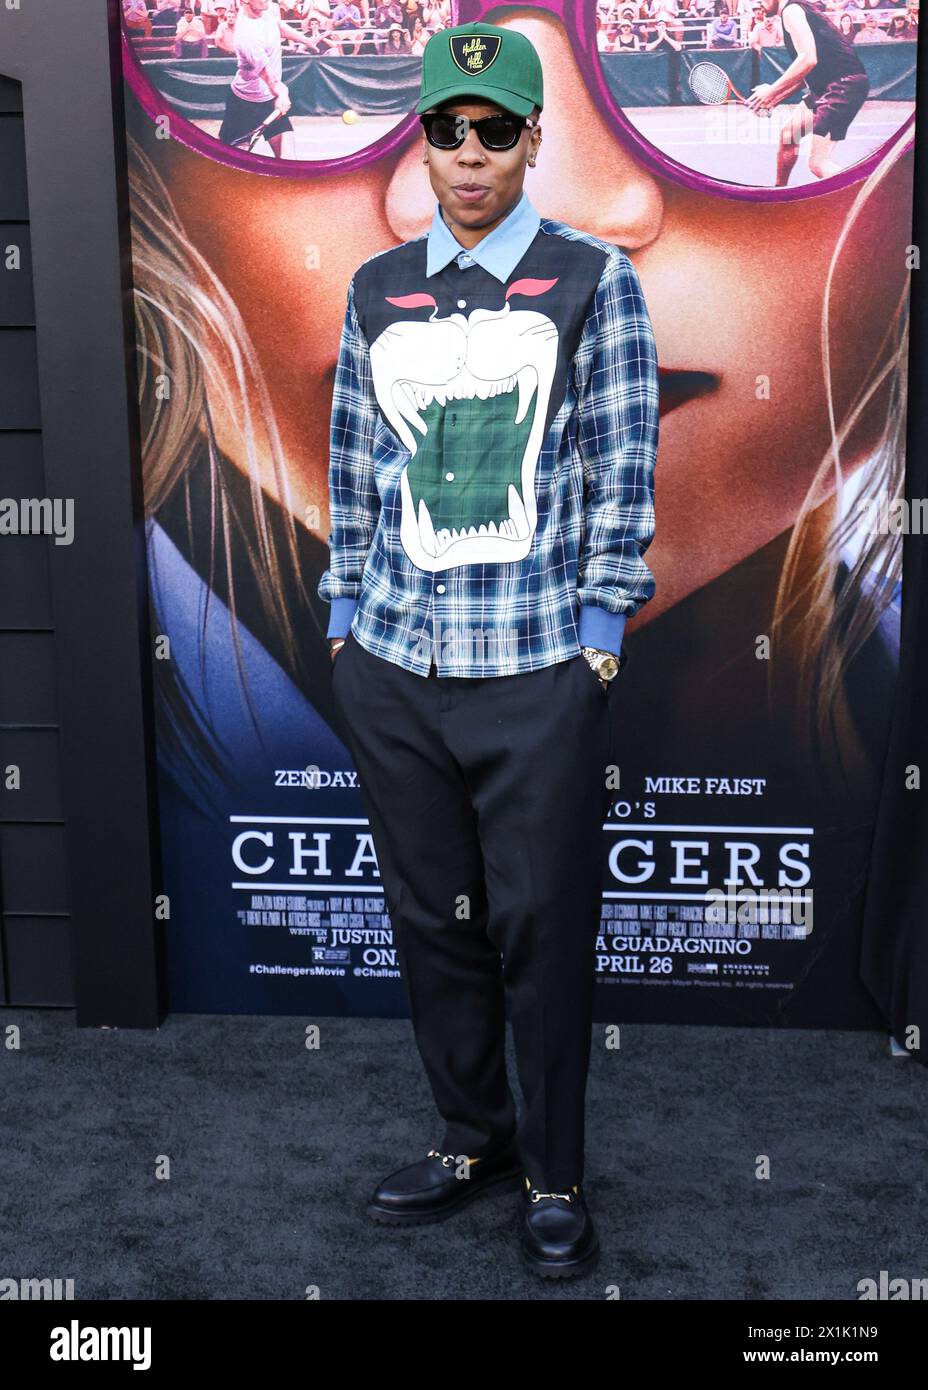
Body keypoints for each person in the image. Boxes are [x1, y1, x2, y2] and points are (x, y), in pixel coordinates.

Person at [317, 19, 659, 1278]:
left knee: (541, 926)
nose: (469, 156)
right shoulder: (374, 289)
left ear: (529, 140)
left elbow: (623, 465)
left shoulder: (592, 278)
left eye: (495, 132)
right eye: (448, 132)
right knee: (432, 922)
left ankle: (556, 1174)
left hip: (535, 674)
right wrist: (346, 622)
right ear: (424, 138)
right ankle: (474, 1142)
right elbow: (354, 463)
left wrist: (599, 636)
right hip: (396, 667)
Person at [746, 0, 871, 183]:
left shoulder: (792, 11)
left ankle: (870, 191)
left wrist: (771, 91)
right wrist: (774, 99)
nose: (759, 3)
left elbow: (808, 60)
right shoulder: (797, 11)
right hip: (827, 87)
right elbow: (807, 71)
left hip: (843, 86)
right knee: (789, 135)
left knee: (817, 163)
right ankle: (780, 193)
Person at [217, 0, 319, 157]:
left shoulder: (265, 9)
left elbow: (276, 25)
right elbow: (270, 79)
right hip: (244, 105)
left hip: (270, 101)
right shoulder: (247, 37)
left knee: (289, 160)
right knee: (230, 164)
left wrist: (304, 39)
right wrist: (283, 95)